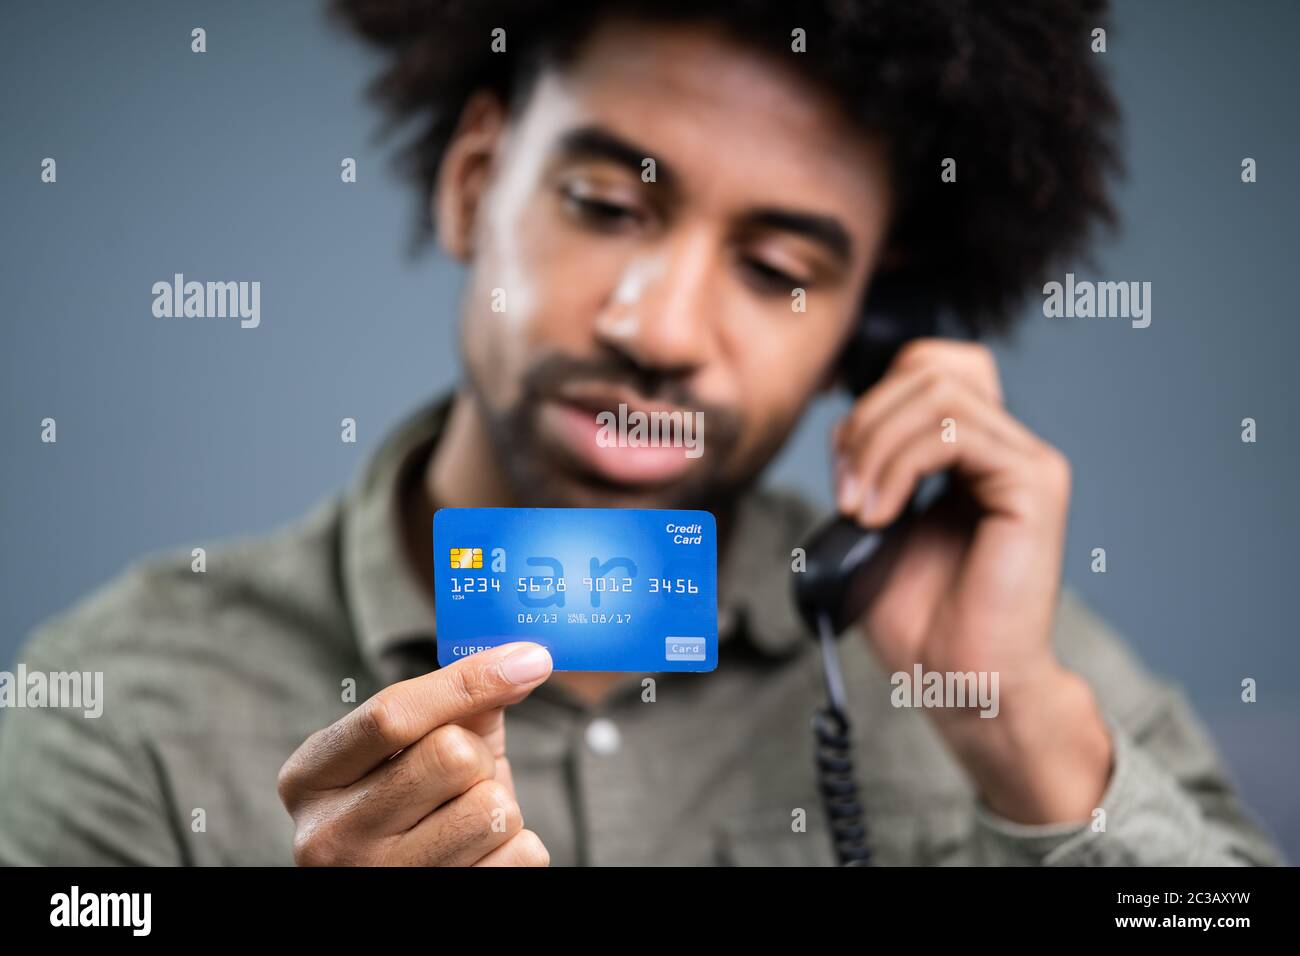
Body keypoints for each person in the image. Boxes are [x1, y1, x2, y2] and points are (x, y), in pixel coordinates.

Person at [0, 0, 1282, 866]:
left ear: (864, 328)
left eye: (778, 265)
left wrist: (1020, 733)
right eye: (607, 205)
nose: (661, 327)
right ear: (471, 185)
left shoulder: (1013, 657)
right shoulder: (122, 705)